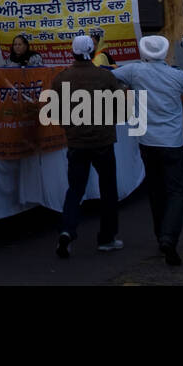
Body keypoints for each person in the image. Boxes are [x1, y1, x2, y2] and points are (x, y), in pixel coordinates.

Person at [113, 35, 183, 266]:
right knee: (176, 192)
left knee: (156, 191)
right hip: (173, 142)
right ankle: (169, 237)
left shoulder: (134, 71)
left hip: (148, 142)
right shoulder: (177, 75)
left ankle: (160, 233)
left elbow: (108, 75)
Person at [56, 35, 128, 257]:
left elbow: (56, 111)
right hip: (102, 141)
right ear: (92, 51)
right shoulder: (104, 76)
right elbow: (120, 108)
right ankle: (106, 237)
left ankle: (67, 230)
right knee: (108, 189)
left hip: (76, 141)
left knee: (75, 189)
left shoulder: (61, 78)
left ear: (72, 52)